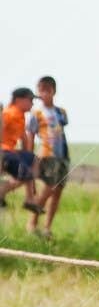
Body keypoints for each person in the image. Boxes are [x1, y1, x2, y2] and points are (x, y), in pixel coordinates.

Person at [28, 75, 70, 236]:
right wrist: (30, 157)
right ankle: (32, 223)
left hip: (62, 156)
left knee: (58, 191)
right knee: (48, 189)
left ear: (54, 91)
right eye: (41, 90)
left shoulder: (61, 112)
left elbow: (62, 132)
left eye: (48, 90)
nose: (45, 93)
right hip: (46, 154)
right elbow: (31, 135)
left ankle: (47, 228)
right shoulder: (36, 113)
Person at [0, 87, 40, 222]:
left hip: (11, 151)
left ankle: (29, 198)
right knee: (26, 173)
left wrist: (26, 156)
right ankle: (2, 192)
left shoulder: (21, 115)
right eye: (30, 100)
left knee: (33, 159)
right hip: (4, 151)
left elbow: (24, 138)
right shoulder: (8, 113)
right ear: (19, 100)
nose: (32, 104)